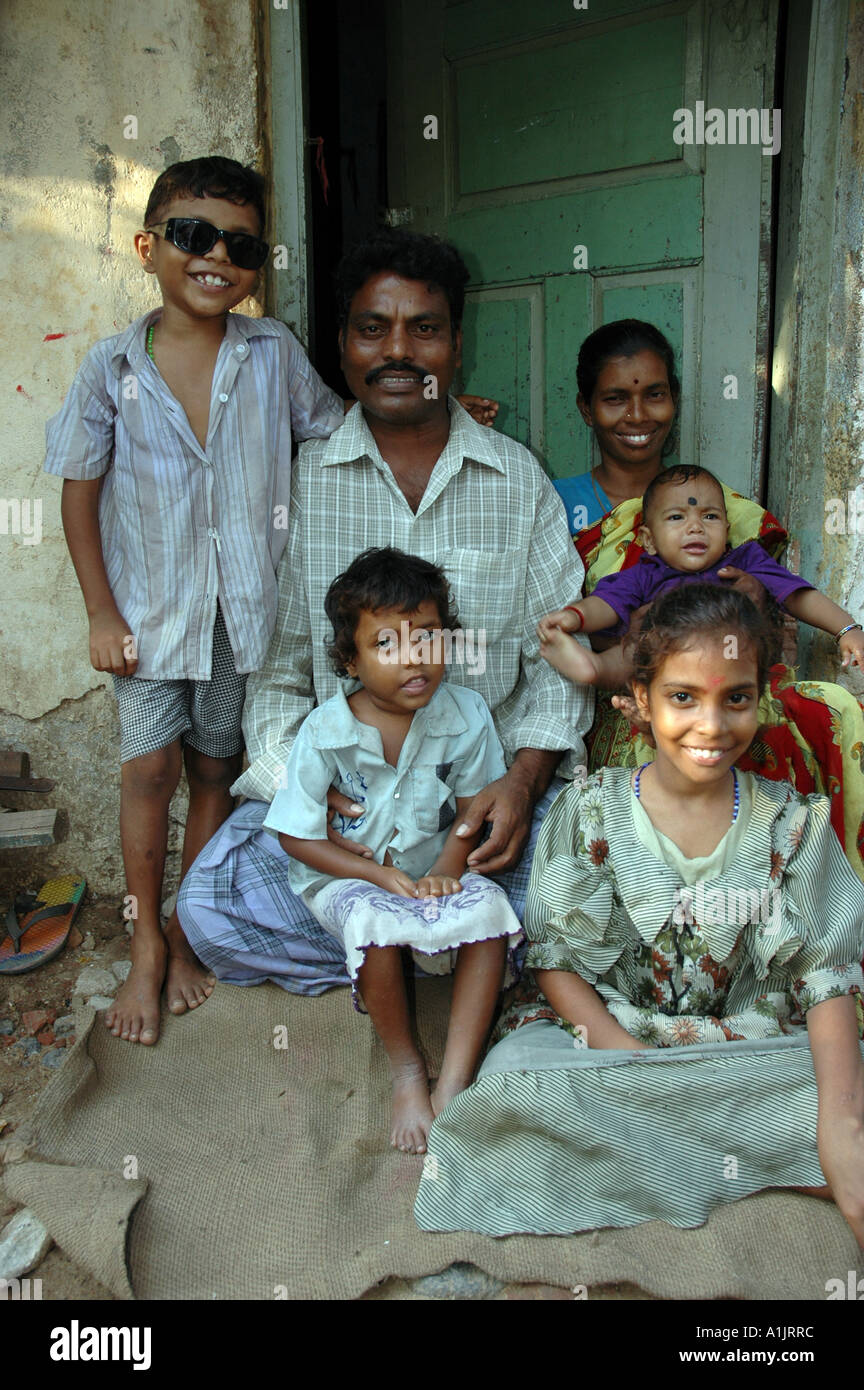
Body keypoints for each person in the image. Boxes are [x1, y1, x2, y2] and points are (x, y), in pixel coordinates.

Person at [178, 227, 591, 994]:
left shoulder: (515, 479)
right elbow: (272, 674)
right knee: (208, 906)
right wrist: (302, 785)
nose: (398, 351)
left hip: (480, 803)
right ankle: (442, 955)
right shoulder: (298, 484)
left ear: (455, 348)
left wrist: (523, 783)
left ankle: (406, 953)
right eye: (373, 329)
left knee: (583, 899)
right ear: (343, 348)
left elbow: (559, 663)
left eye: (423, 329)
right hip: (352, 808)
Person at [415, 584, 864, 1241]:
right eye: (683, 698)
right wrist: (629, 1059)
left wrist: (842, 1124)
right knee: (517, 1087)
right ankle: (742, 1155)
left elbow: (824, 981)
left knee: (841, 1087)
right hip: (605, 1039)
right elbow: (557, 964)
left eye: (735, 698)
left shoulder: (793, 824)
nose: (712, 726)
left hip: (741, 1041)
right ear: (637, 705)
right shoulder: (591, 809)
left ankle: (683, 1150)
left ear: (759, 700)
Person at [43, 156, 351, 1046]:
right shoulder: (110, 368)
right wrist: (101, 613)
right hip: (145, 623)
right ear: (151, 248)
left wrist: (430, 413)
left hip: (242, 623)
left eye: (241, 244)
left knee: (216, 769)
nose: (217, 255)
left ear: (258, 263)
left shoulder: (273, 352)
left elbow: (333, 430)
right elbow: (78, 493)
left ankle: (185, 931)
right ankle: (144, 945)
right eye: (193, 235)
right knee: (150, 773)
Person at [553, 318, 864, 881]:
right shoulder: (555, 506)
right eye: (616, 398)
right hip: (641, 689)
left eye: (655, 394)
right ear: (585, 406)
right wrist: (592, 624)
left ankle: (807, 889)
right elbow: (598, 606)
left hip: (730, 683)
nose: (638, 415)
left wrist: (839, 628)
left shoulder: (729, 517)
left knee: (827, 713)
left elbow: (791, 598)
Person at [266, 548, 521, 1153]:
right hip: (348, 878)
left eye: (428, 638)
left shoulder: (465, 713)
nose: (414, 659)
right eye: (387, 645)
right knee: (373, 918)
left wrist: (447, 869)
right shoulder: (325, 731)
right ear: (349, 660)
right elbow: (295, 836)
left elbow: (470, 811)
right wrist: (373, 875)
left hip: (432, 865)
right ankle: (407, 1068)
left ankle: (456, 1078)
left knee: (489, 911)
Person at [539, 464, 864, 688]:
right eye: (677, 517)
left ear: (726, 529)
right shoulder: (645, 575)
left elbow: (796, 595)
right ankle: (593, 670)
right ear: (648, 540)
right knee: (637, 647)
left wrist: (846, 629)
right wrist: (574, 617)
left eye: (709, 516)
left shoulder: (746, 561)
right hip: (667, 668)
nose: (695, 526)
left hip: (733, 664)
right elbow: (606, 603)